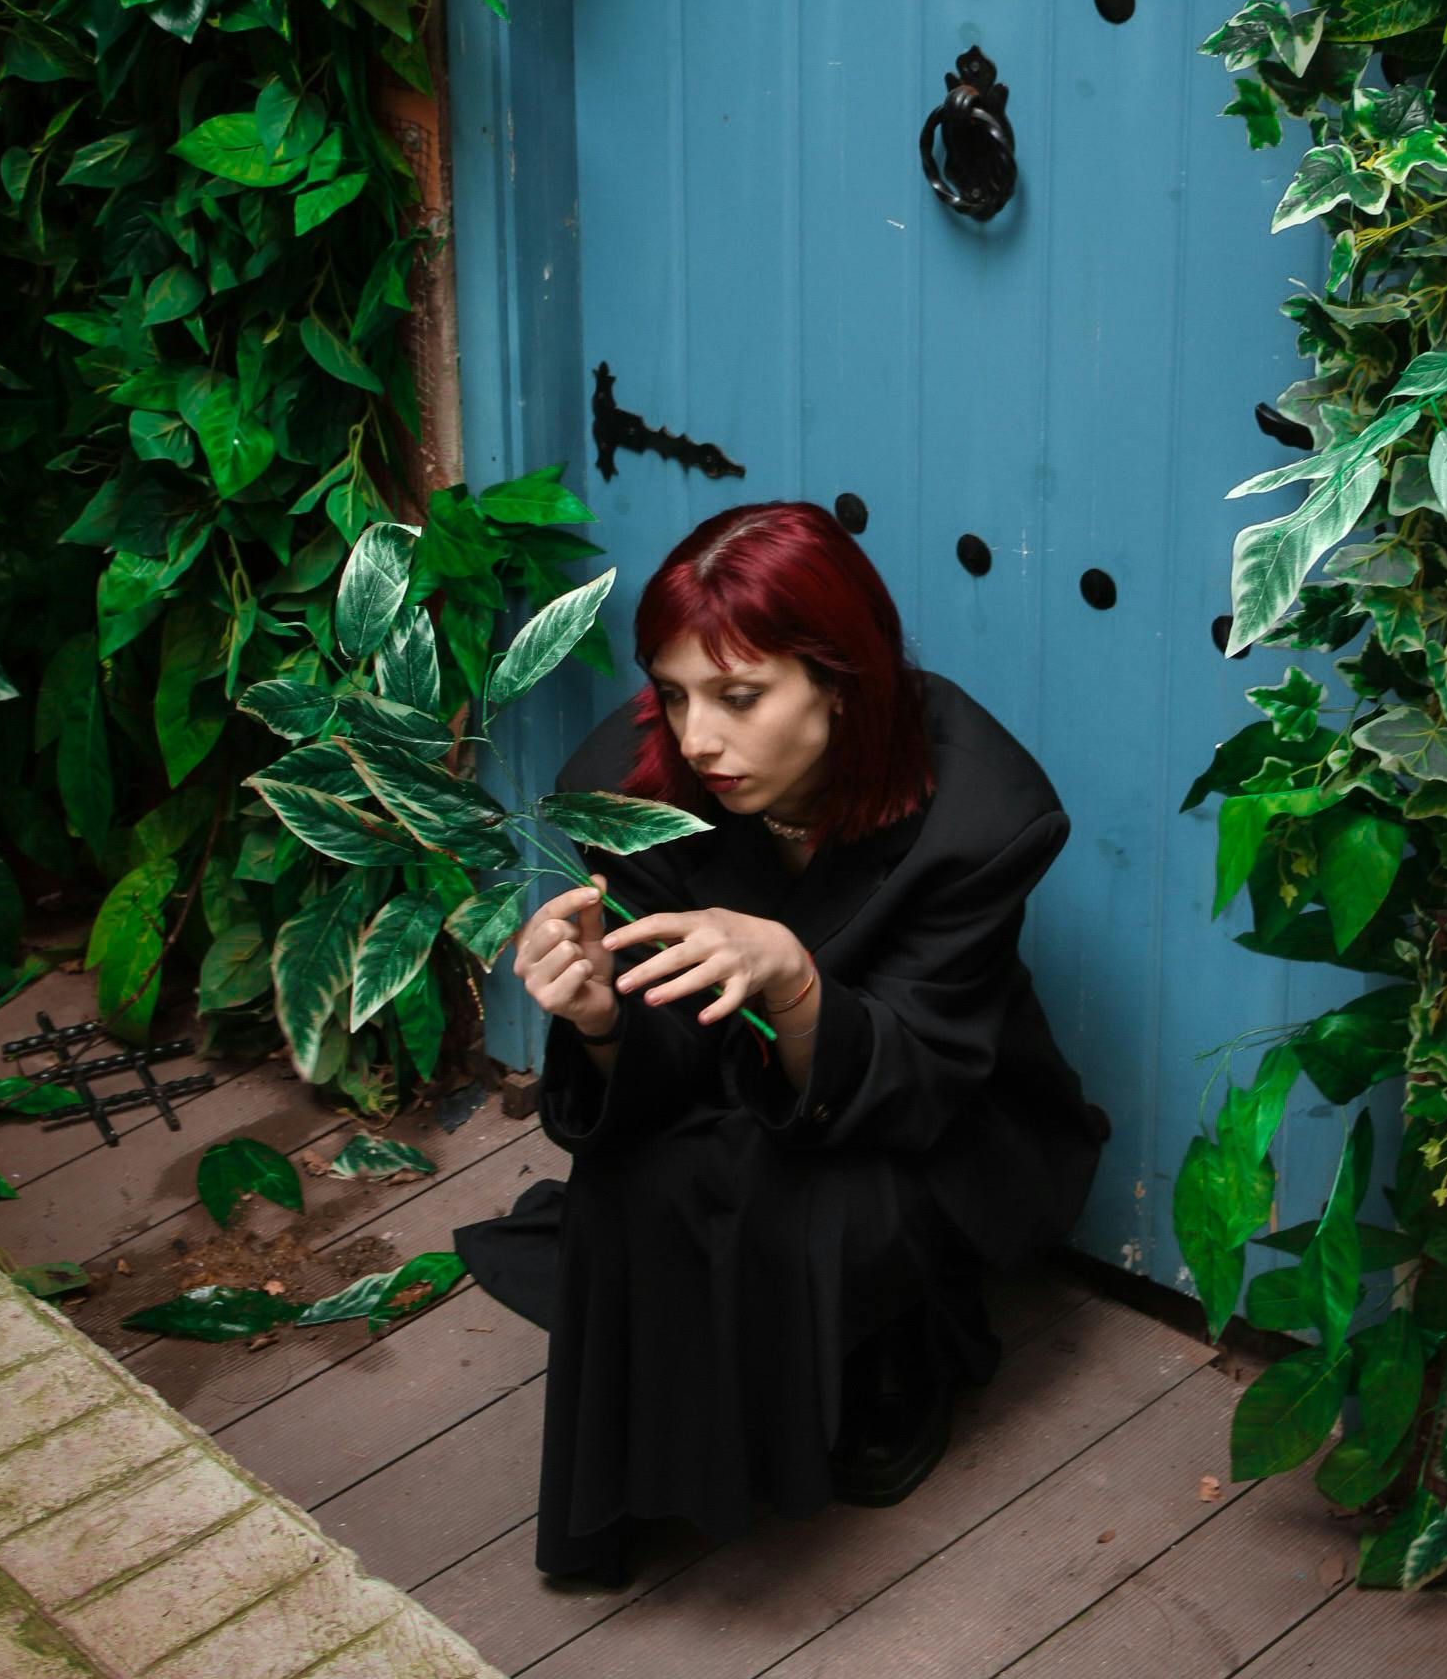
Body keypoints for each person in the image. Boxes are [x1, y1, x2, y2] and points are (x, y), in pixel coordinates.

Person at [453, 499, 1110, 1590]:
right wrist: (603, 1018)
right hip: (725, 1086)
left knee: (825, 1199)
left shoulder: (986, 811)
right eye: (673, 694)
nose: (698, 738)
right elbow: (674, 1059)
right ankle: (649, 1476)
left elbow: (925, 1071)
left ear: (841, 681)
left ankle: (901, 1359)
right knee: (647, 1172)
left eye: (740, 697)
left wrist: (797, 981)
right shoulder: (628, 786)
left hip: (940, 1106)